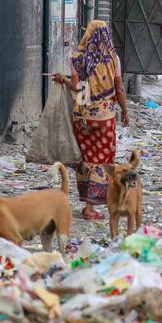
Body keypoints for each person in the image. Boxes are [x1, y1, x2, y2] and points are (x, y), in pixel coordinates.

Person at [51, 20, 128, 221]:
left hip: (82, 117)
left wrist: (63, 79)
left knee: (86, 159)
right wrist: (125, 110)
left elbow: (77, 87)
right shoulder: (113, 58)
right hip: (104, 118)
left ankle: (87, 200)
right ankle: (90, 207)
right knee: (102, 161)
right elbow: (119, 89)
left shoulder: (76, 58)